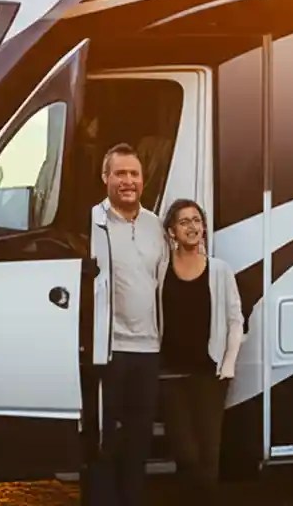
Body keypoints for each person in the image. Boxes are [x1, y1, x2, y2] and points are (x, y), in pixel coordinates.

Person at [88, 142, 169, 506]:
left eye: (134, 174)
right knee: (104, 438)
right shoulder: (92, 223)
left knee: (139, 439)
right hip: (109, 349)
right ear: (105, 177)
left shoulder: (155, 225)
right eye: (120, 173)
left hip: (148, 350)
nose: (128, 181)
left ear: (142, 180)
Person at [158, 198, 244, 499]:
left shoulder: (219, 270)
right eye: (184, 222)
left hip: (210, 374)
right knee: (185, 453)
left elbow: (235, 320)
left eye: (197, 221)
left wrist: (229, 362)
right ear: (172, 231)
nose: (192, 227)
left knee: (208, 454)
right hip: (171, 375)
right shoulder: (161, 270)